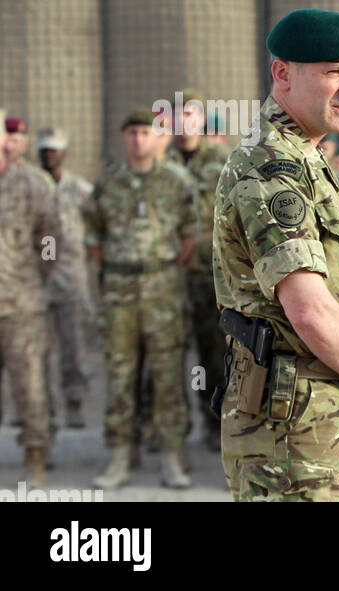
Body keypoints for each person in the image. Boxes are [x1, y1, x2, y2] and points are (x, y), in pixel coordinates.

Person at [212, 8, 339, 501]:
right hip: (291, 435)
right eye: (333, 73)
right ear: (282, 73)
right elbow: (309, 309)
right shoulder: (270, 165)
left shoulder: (306, 156)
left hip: (321, 416)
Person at [87, 109, 198, 489]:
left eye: (144, 132)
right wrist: (121, 268)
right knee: (120, 373)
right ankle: (120, 453)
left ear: (156, 138)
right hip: (119, 292)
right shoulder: (108, 183)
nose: (137, 139)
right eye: (131, 132)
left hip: (161, 289)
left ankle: (171, 456)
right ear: (123, 138)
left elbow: (189, 238)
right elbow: (94, 237)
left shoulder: (176, 181)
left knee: (168, 372)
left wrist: (157, 267)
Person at [165, 89, 230, 452]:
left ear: (200, 120)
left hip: (209, 278)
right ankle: (168, 428)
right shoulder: (161, 162)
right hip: (167, 279)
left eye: (189, 115)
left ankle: (213, 421)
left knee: (211, 356)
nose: (182, 123)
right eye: (175, 116)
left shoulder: (222, 162)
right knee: (167, 355)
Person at [0, 108, 61, 488]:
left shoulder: (31, 184)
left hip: (20, 303)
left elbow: (51, 238)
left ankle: (35, 455)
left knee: (30, 383)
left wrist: (41, 274)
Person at [36, 128, 95, 430]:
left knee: (73, 346)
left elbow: (98, 220)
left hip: (71, 277)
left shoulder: (79, 189)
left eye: (54, 150)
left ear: (64, 152)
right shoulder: (32, 186)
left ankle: (75, 402)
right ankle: (41, 409)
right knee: (37, 349)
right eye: (44, 150)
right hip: (37, 280)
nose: (49, 155)